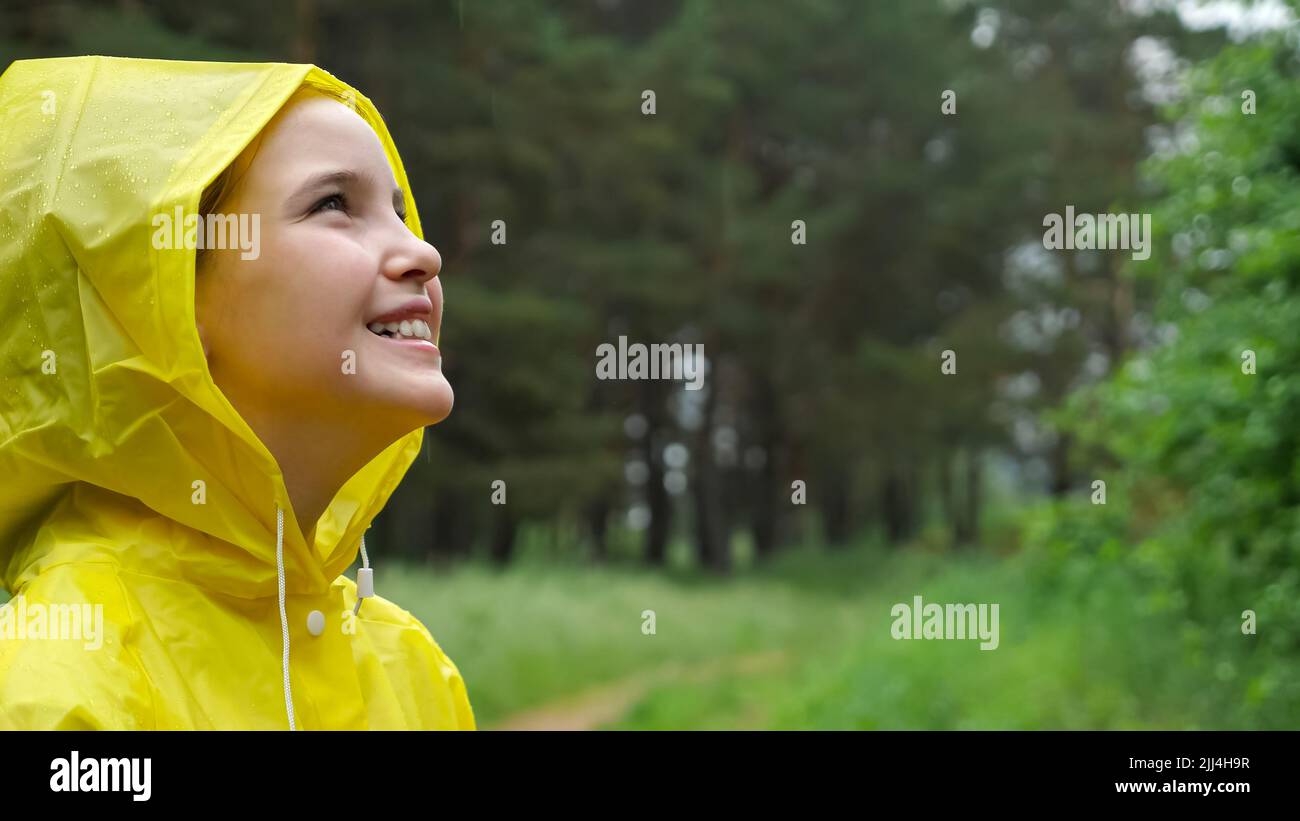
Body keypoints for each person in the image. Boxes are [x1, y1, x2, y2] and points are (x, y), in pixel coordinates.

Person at [0, 56, 475, 730]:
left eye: (400, 212)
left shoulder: (415, 672)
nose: (422, 253)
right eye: (334, 204)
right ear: (163, 297)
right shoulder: (65, 681)